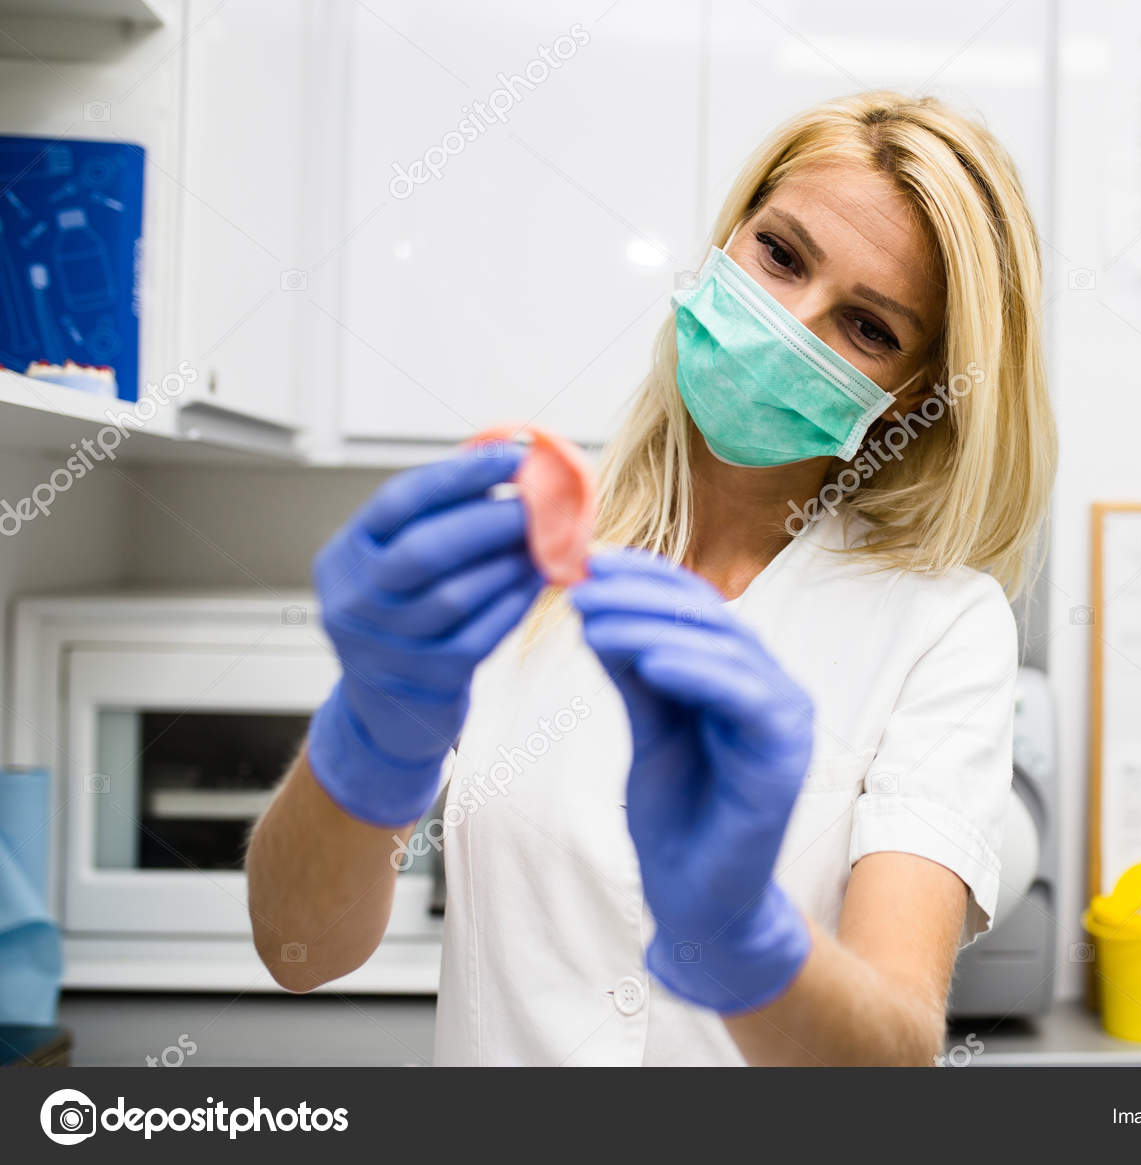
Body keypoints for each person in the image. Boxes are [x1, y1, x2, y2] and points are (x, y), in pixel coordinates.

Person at [246, 90, 1056, 1065]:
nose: (785, 326)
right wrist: (367, 734)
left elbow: (889, 1058)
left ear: (909, 399)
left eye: (867, 328)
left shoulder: (940, 624)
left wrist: (742, 933)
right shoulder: (524, 549)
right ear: (728, 240)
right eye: (781, 256)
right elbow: (299, 951)